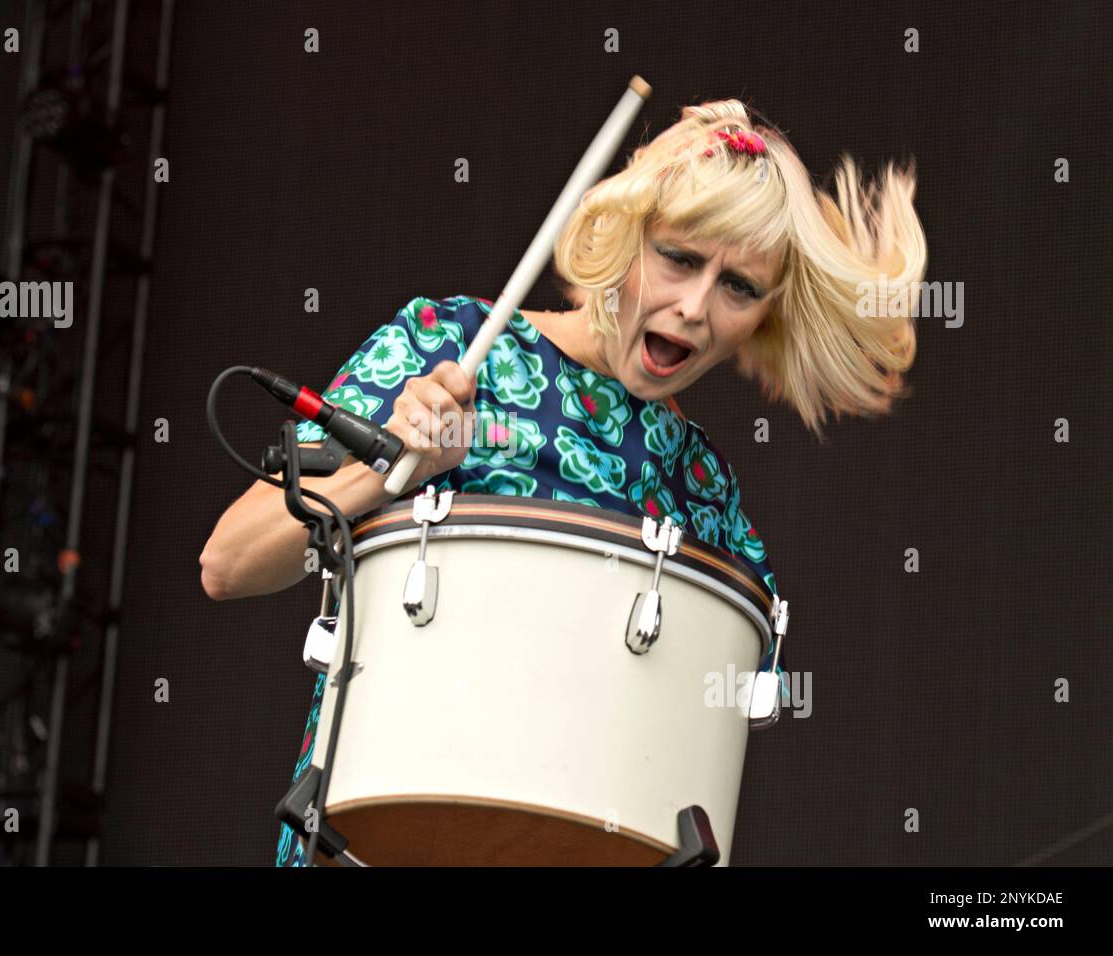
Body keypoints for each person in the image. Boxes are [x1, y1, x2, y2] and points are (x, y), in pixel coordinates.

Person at [197, 99, 927, 866]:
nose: (694, 306)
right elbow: (228, 563)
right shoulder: (449, 345)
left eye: (739, 287)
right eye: (679, 257)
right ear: (625, 238)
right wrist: (389, 468)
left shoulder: (704, 487)